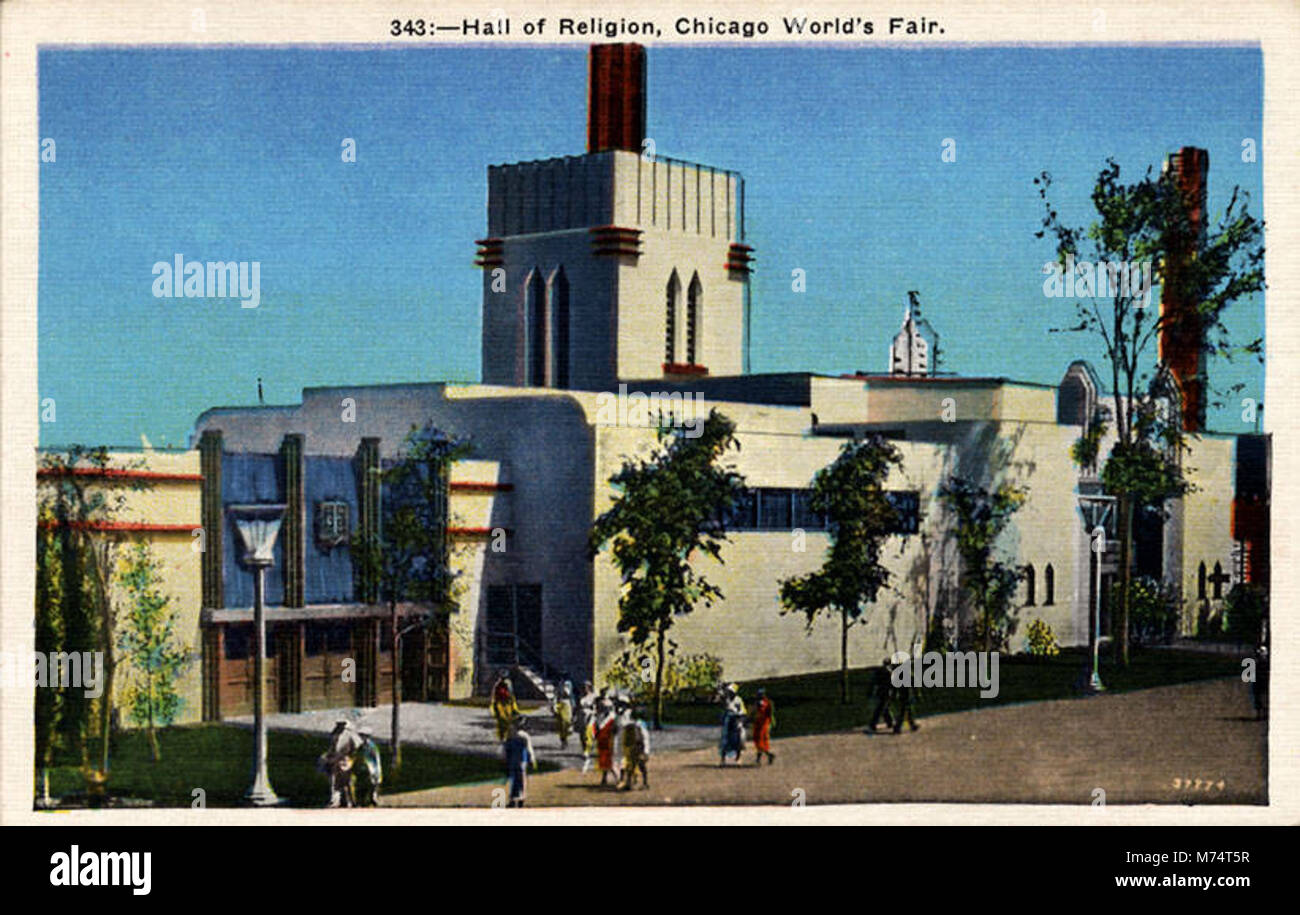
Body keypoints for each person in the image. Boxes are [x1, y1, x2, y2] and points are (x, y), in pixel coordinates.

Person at [320, 719, 363, 807]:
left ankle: (350, 801)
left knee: (347, 782)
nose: (340, 726)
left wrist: (351, 758)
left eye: (342, 724)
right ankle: (335, 801)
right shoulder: (335, 734)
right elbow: (332, 748)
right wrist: (327, 757)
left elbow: (358, 747)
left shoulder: (350, 734)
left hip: (346, 761)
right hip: (335, 761)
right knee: (334, 781)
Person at [502, 715, 537, 808]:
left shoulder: (510, 735)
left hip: (514, 760)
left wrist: (505, 758)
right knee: (520, 780)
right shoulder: (524, 736)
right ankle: (520, 798)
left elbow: (505, 748)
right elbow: (529, 749)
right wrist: (532, 759)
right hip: (521, 761)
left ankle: (514, 799)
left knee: (514, 780)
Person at [617, 703, 651, 790]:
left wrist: (646, 750)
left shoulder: (640, 724)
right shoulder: (632, 724)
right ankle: (629, 783)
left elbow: (645, 737)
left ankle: (645, 782)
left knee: (640, 765)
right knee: (631, 766)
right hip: (633, 747)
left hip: (639, 747)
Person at [865, 658, 896, 735]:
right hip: (886, 692)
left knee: (882, 708)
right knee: (882, 708)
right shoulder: (890, 672)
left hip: (881, 692)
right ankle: (877, 724)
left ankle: (885, 723)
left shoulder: (879, 671)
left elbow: (874, 682)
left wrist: (871, 691)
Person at [719, 683, 747, 766]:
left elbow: (743, 712)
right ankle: (722, 759)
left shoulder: (738, 700)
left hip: (736, 719)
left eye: (731, 692)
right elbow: (722, 704)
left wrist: (741, 721)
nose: (729, 693)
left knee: (739, 739)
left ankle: (738, 758)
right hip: (728, 720)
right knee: (724, 739)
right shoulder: (726, 700)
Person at [593, 700, 620, 786]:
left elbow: (616, 730)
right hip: (601, 741)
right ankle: (604, 779)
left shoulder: (613, 717)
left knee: (610, 762)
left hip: (610, 741)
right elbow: (596, 729)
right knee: (603, 761)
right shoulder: (599, 717)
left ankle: (619, 778)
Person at [355, 730, 383, 806]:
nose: (361, 738)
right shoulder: (360, 747)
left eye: (363, 736)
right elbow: (358, 757)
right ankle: (361, 801)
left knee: (372, 785)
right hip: (362, 769)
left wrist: (377, 770)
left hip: (371, 769)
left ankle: (373, 799)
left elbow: (376, 759)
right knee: (361, 786)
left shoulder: (372, 746)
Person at [491, 670, 520, 742]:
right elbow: (495, 695)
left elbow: (511, 695)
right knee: (502, 720)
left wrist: (513, 706)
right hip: (501, 703)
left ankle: (507, 736)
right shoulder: (498, 684)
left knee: (506, 720)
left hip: (506, 703)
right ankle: (503, 736)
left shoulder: (507, 684)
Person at [576, 681, 597, 772]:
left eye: (586, 687)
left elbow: (595, 708)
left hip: (590, 716)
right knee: (582, 734)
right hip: (581, 717)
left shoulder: (593, 696)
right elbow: (577, 707)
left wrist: (593, 714)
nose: (585, 689)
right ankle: (584, 749)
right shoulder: (580, 697)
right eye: (583, 687)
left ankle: (588, 750)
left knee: (588, 734)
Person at [751, 687, 775, 765]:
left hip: (763, 725)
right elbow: (753, 713)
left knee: (761, 741)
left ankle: (761, 758)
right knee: (757, 740)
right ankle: (768, 755)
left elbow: (767, 714)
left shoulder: (766, 703)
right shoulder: (757, 703)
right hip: (757, 724)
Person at [552, 680, 574, 748]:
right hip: (560, 705)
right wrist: (554, 706)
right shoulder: (558, 688)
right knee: (560, 724)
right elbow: (555, 697)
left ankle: (566, 738)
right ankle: (563, 740)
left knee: (567, 723)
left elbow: (571, 697)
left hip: (567, 706)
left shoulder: (569, 686)